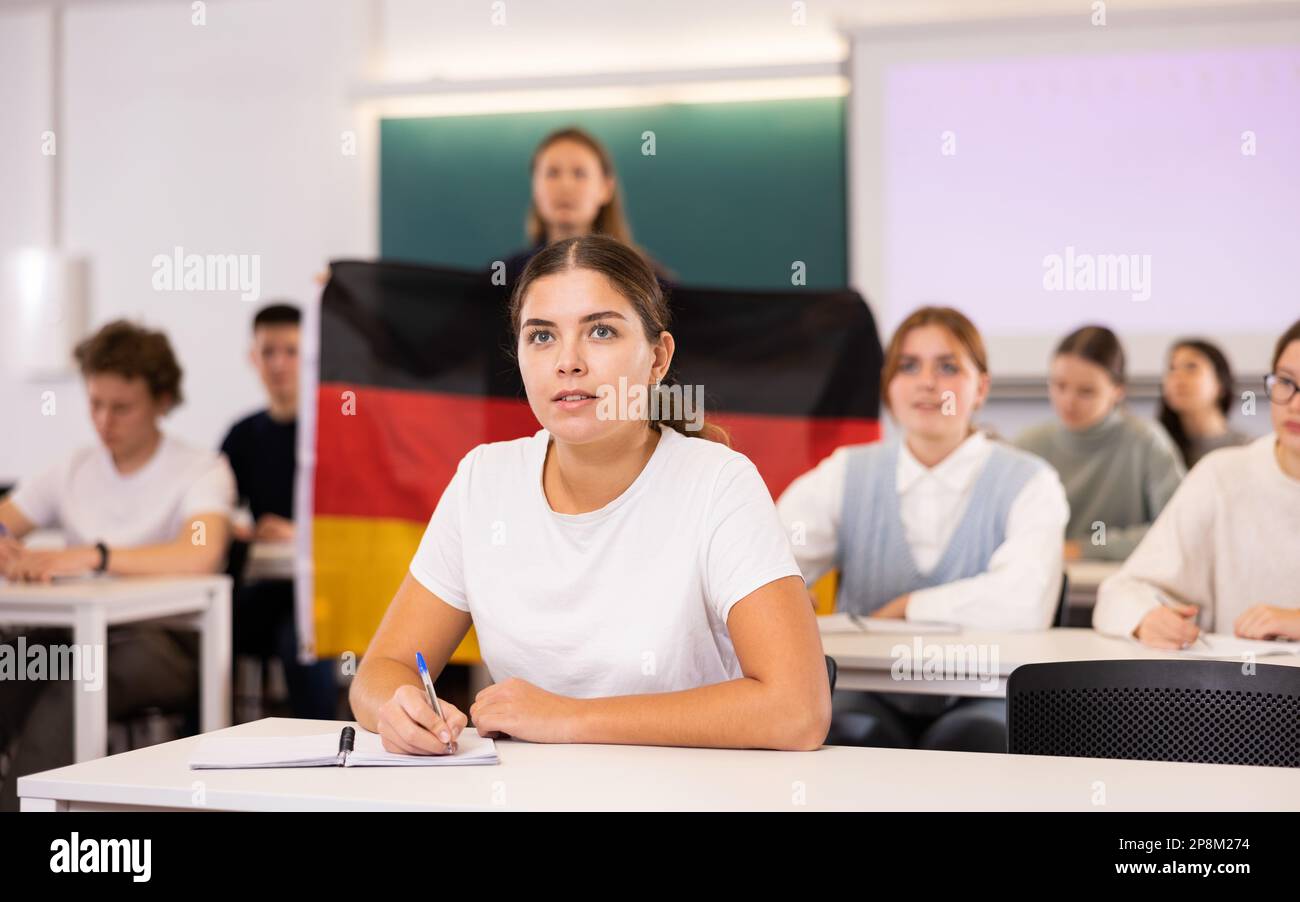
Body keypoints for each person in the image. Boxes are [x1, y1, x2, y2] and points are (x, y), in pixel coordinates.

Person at [350, 234, 830, 754]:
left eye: (600, 331)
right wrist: (396, 709)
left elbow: (797, 710)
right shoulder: (482, 481)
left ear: (658, 358)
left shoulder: (719, 483)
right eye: (541, 337)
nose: (568, 361)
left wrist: (568, 719)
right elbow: (379, 672)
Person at [777, 306, 1068, 752]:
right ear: (889, 387)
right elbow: (766, 561)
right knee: (851, 735)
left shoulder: (1031, 481)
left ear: (981, 388)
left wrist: (908, 606)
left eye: (948, 366)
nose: (927, 382)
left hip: (984, 694)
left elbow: (1023, 601)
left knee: (974, 741)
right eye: (908, 366)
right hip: (868, 690)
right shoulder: (846, 472)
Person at [0, 320, 234, 809]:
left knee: (74, 679)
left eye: (122, 408)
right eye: (95, 405)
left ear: (162, 400)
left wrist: (95, 555)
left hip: (165, 642)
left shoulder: (202, 469)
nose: (105, 421)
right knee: (12, 661)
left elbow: (201, 552)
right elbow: (6, 522)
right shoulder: (73, 467)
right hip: (75, 631)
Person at [1094, 320, 1300, 647]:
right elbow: (1118, 594)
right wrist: (1145, 617)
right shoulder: (1222, 475)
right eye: (1286, 382)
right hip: (1246, 694)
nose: (1295, 404)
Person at [220, 302, 337, 719]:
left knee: (299, 638)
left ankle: (321, 748)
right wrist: (239, 530)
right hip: (266, 584)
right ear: (253, 357)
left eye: (290, 351)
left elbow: (350, 515)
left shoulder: (333, 430)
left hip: (323, 585)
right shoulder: (241, 435)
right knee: (214, 630)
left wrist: (298, 532)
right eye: (268, 351)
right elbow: (219, 507)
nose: (279, 363)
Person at [1016, 325, 1184, 561]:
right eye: (1059, 385)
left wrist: (1083, 549)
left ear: (1117, 391)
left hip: (1123, 582)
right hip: (1041, 581)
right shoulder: (1028, 446)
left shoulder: (1146, 442)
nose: (1068, 401)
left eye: (1086, 391)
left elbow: (1178, 529)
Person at [496, 127, 665, 287]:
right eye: (552, 173)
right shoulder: (505, 277)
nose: (565, 186)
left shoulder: (645, 276)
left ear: (605, 188)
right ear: (535, 187)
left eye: (580, 173)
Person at [1157, 338, 1249, 469]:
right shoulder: (1156, 444)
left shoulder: (1245, 449)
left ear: (1220, 383)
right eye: (1172, 368)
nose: (1178, 377)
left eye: (1191, 367)